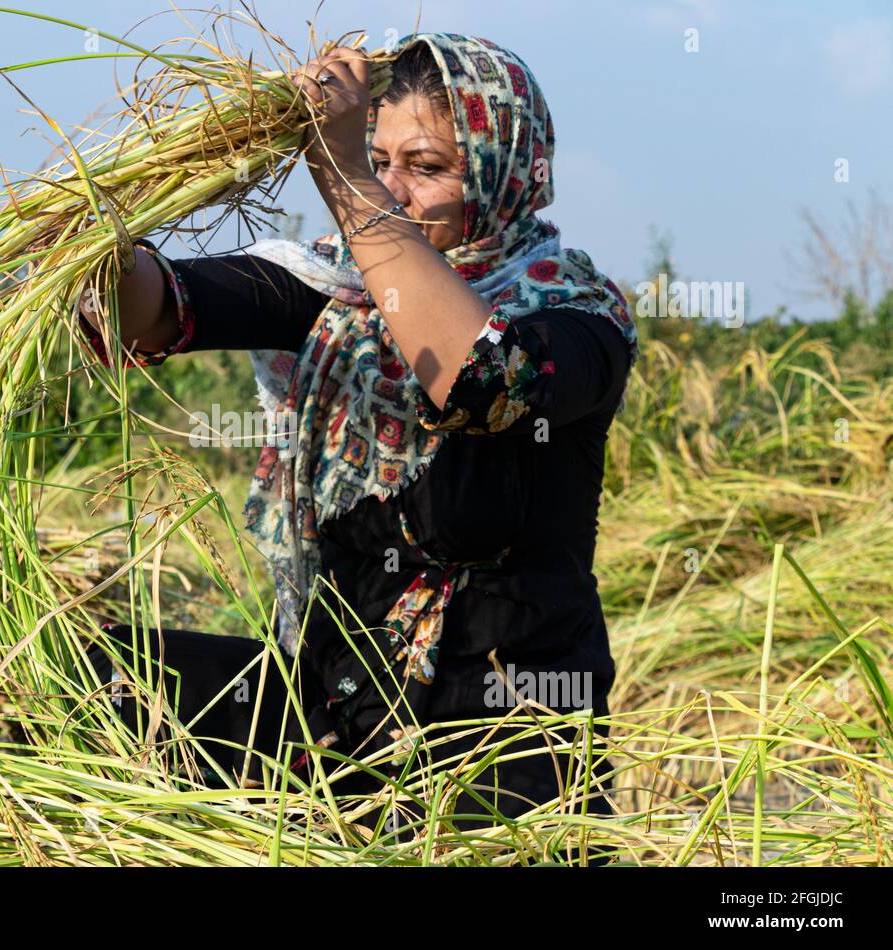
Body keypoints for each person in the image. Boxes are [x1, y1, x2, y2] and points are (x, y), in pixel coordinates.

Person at [78, 33, 636, 834]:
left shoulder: (577, 319)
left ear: (502, 170)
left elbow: (477, 376)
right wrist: (98, 241)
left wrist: (345, 179)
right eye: (378, 159)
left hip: (504, 740)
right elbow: (154, 310)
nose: (395, 189)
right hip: (338, 713)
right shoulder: (333, 289)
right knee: (93, 674)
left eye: (429, 165)